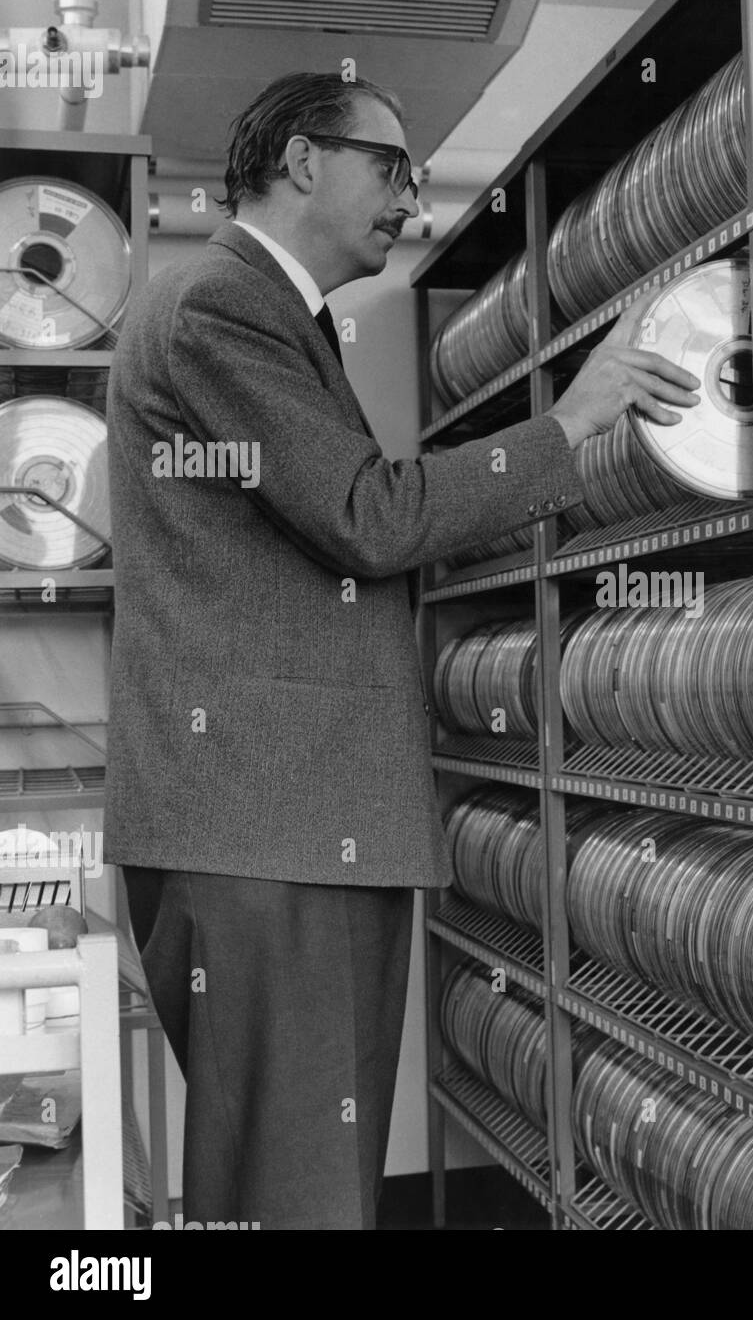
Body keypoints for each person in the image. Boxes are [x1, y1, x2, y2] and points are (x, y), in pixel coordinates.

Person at [104, 70, 699, 1229]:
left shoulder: (256, 315)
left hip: (282, 825)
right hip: (275, 825)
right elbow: (368, 517)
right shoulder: (222, 306)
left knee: (279, 1185)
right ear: (302, 163)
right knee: (301, 1196)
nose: (410, 202)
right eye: (390, 168)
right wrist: (571, 420)